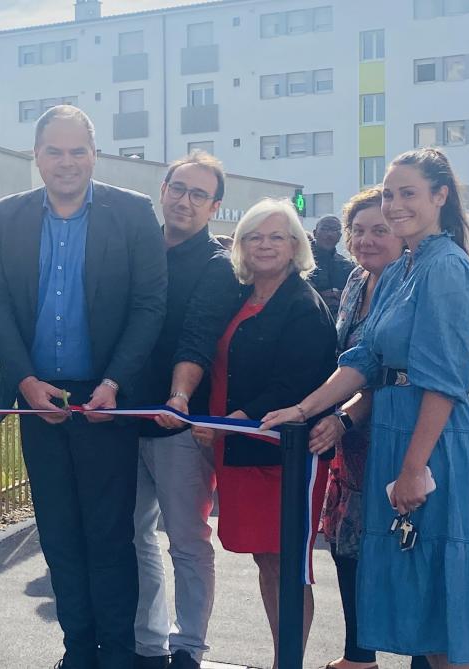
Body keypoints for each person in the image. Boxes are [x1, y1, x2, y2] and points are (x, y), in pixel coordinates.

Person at [263, 147, 469, 668]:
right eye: (388, 193)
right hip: (400, 435)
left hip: (433, 441)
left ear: (441, 196)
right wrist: (303, 408)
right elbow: (365, 359)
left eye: (408, 193)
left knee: (441, 602)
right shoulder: (405, 266)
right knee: (422, 599)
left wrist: (412, 468)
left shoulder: (445, 267)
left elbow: (444, 382)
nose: (395, 205)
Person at [0, 105, 167, 669]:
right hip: (40, 399)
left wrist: (115, 381)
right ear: (35, 156)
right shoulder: (6, 216)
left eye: (78, 151)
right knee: (59, 538)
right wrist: (26, 381)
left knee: (110, 538)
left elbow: (148, 304)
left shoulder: (133, 214)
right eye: (54, 151)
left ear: (95, 154)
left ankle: (118, 655)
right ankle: (78, 652)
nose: (67, 163)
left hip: (104, 399)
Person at [190, 198, 336, 669]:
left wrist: (235, 418)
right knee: (266, 559)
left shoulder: (302, 305)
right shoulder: (242, 294)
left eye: (277, 236)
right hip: (239, 450)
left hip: (281, 455)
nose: (265, 245)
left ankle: (288, 661)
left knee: (288, 563)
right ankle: (282, 658)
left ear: (296, 245)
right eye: (254, 236)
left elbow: (295, 382)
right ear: (240, 245)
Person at [306, 188, 430, 669]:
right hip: (350, 444)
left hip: (397, 435)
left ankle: (424, 657)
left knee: (408, 552)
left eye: (380, 229)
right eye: (358, 230)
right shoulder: (358, 281)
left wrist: (342, 416)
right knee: (347, 543)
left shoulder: (410, 285)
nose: (366, 240)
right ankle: (359, 655)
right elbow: (349, 362)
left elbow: (400, 377)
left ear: (401, 234)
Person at [133, 151, 241, 669]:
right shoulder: (136, 249)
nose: (185, 200)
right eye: (178, 188)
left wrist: (179, 397)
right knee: (133, 537)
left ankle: (189, 646)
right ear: (163, 190)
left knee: (187, 540)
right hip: (122, 417)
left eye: (199, 194)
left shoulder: (220, 265)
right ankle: (148, 642)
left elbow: (198, 337)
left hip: (182, 422)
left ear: (215, 206)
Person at [310, 214, 355, 313]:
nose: (329, 234)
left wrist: (341, 296)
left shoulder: (348, 266)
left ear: (339, 236)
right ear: (314, 233)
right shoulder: (301, 261)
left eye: (334, 230)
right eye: (325, 229)